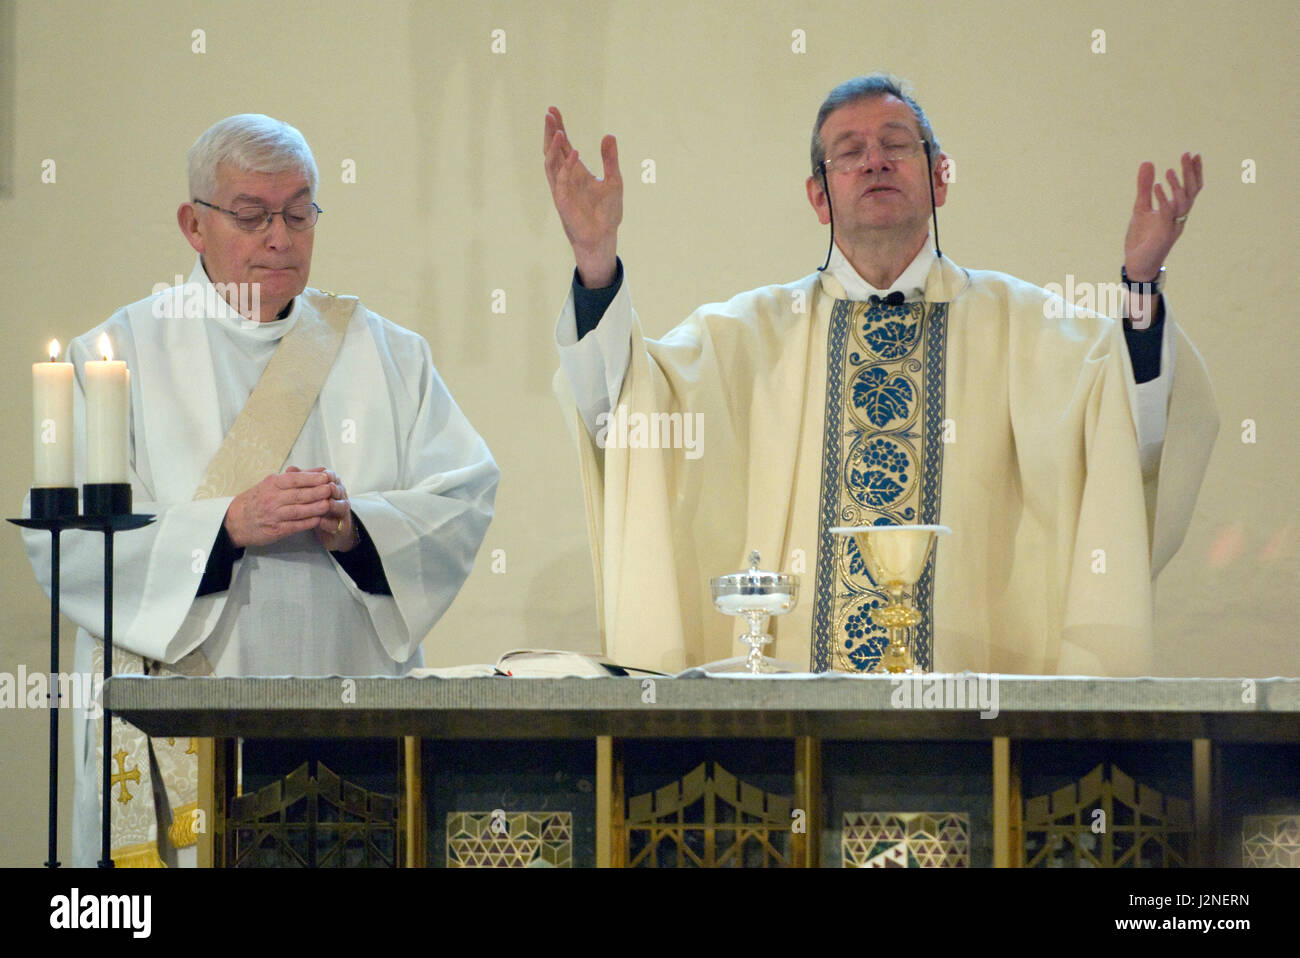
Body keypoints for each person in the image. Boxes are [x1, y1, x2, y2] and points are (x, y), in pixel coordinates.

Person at [544, 74, 1217, 677]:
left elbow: (1131, 428)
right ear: (818, 194)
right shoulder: (744, 338)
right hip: (788, 740)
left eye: (898, 143)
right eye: (849, 151)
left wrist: (1140, 285)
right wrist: (596, 262)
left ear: (940, 177)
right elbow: (623, 412)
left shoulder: (1027, 328)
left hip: (976, 723)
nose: (875, 160)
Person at [22, 114, 499, 866]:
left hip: (350, 723)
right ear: (194, 224)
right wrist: (227, 527)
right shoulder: (117, 359)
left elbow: (465, 494)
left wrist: (359, 528)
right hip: (187, 737)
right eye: (252, 215)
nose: (280, 237)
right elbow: (75, 551)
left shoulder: (386, 353)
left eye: (300, 211)